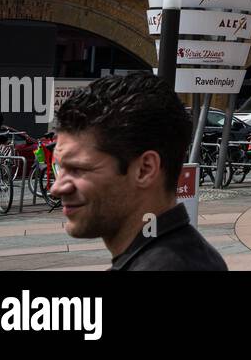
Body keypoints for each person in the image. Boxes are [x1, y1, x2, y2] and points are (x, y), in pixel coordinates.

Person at [51, 74, 226, 271]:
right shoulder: (188, 255)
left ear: (145, 169)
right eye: (59, 167)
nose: (56, 188)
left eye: (78, 169)